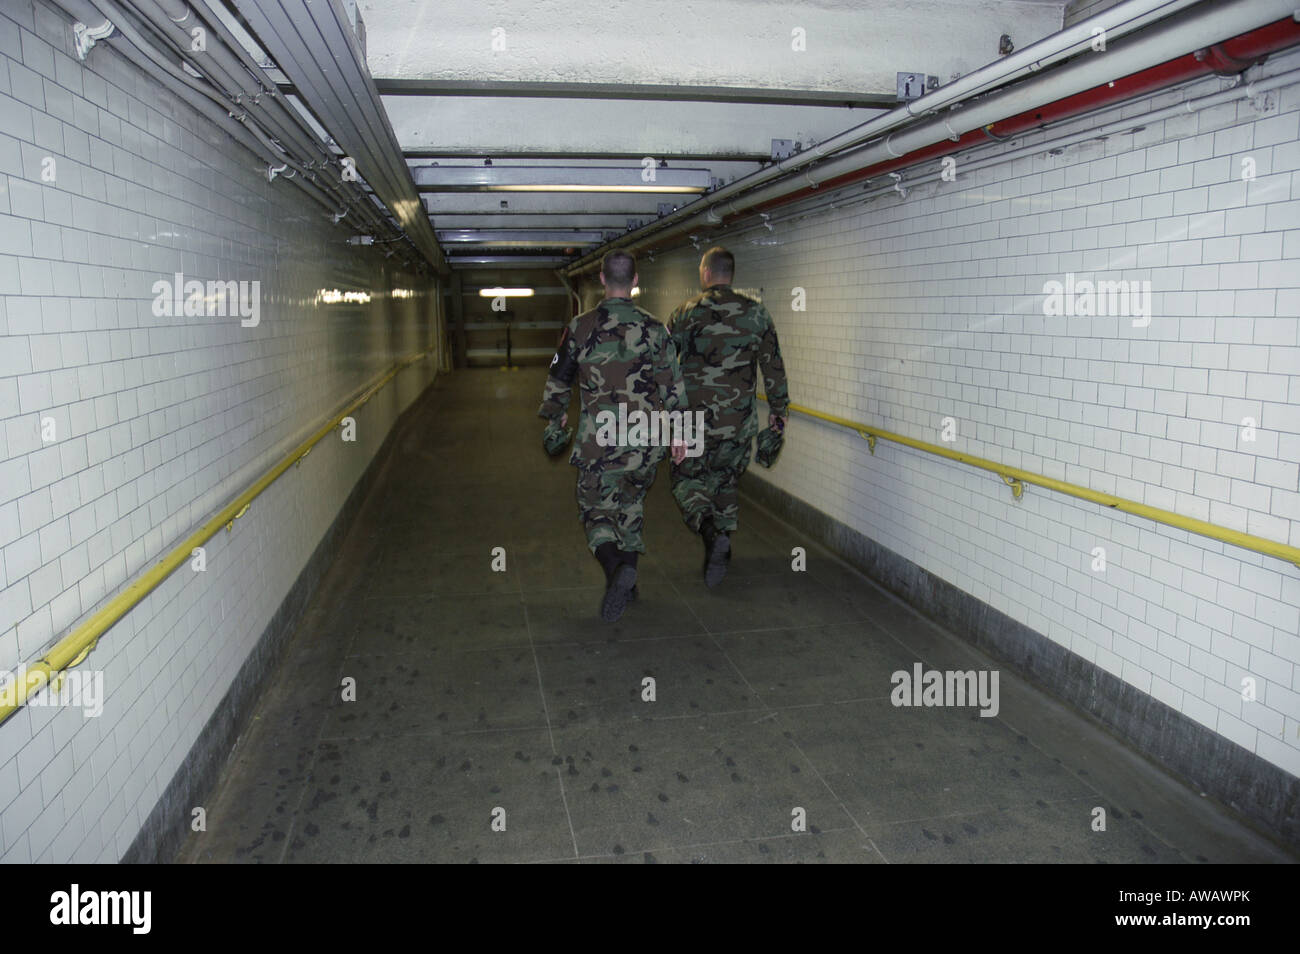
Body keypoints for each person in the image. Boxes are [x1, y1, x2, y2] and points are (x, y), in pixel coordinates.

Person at [538, 250, 688, 621]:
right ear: (635, 281)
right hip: (646, 443)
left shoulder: (580, 327)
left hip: (598, 444)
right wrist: (682, 437)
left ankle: (615, 570)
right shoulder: (656, 330)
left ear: (602, 280)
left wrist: (554, 422)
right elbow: (675, 388)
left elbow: (558, 382)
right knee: (631, 507)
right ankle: (630, 581)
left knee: (596, 510)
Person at [667, 246, 790, 587]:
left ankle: (710, 532)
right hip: (737, 421)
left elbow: (662, 366)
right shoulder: (757, 314)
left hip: (692, 422)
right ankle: (723, 542)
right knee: (725, 481)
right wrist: (778, 415)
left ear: (705, 273)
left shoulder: (685, 313)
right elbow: (774, 368)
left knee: (685, 480)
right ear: (730, 275)